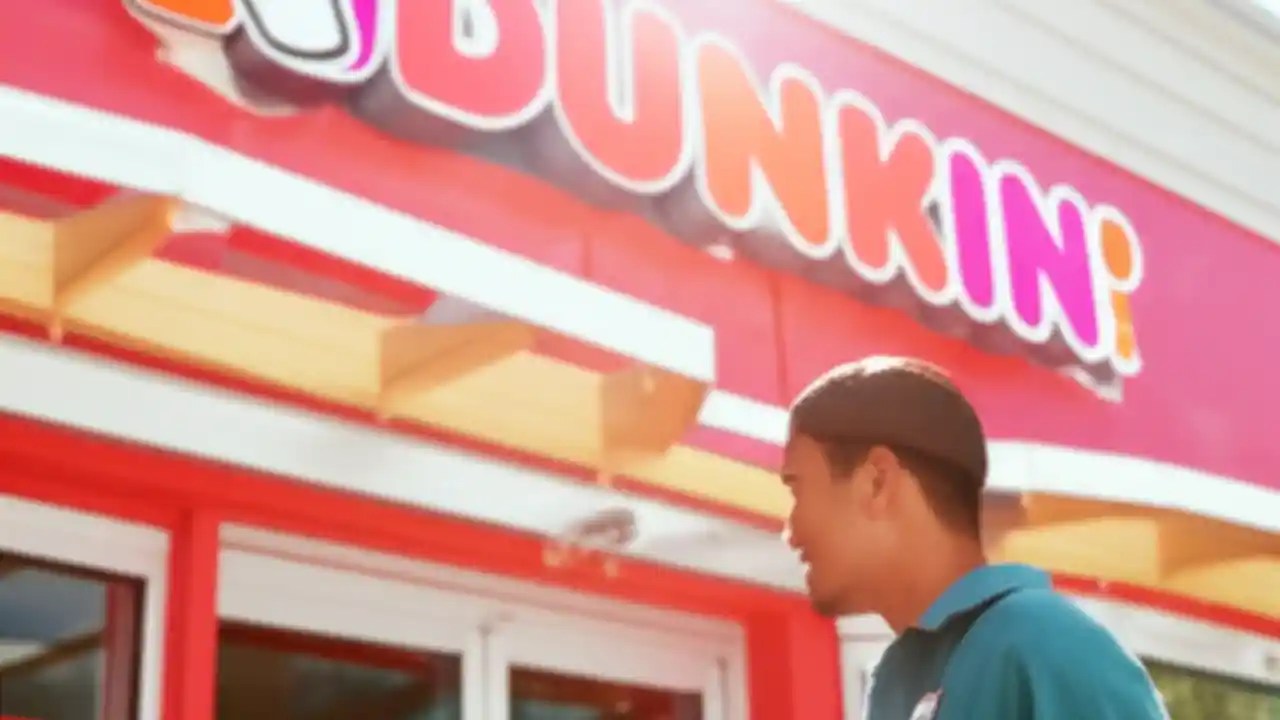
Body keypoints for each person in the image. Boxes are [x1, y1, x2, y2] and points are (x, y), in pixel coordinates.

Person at [781, 356, 1168, 719]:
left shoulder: (1047, 643)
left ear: (877, 481)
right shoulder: (893, 682)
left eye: (798, 490)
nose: (790, 533)